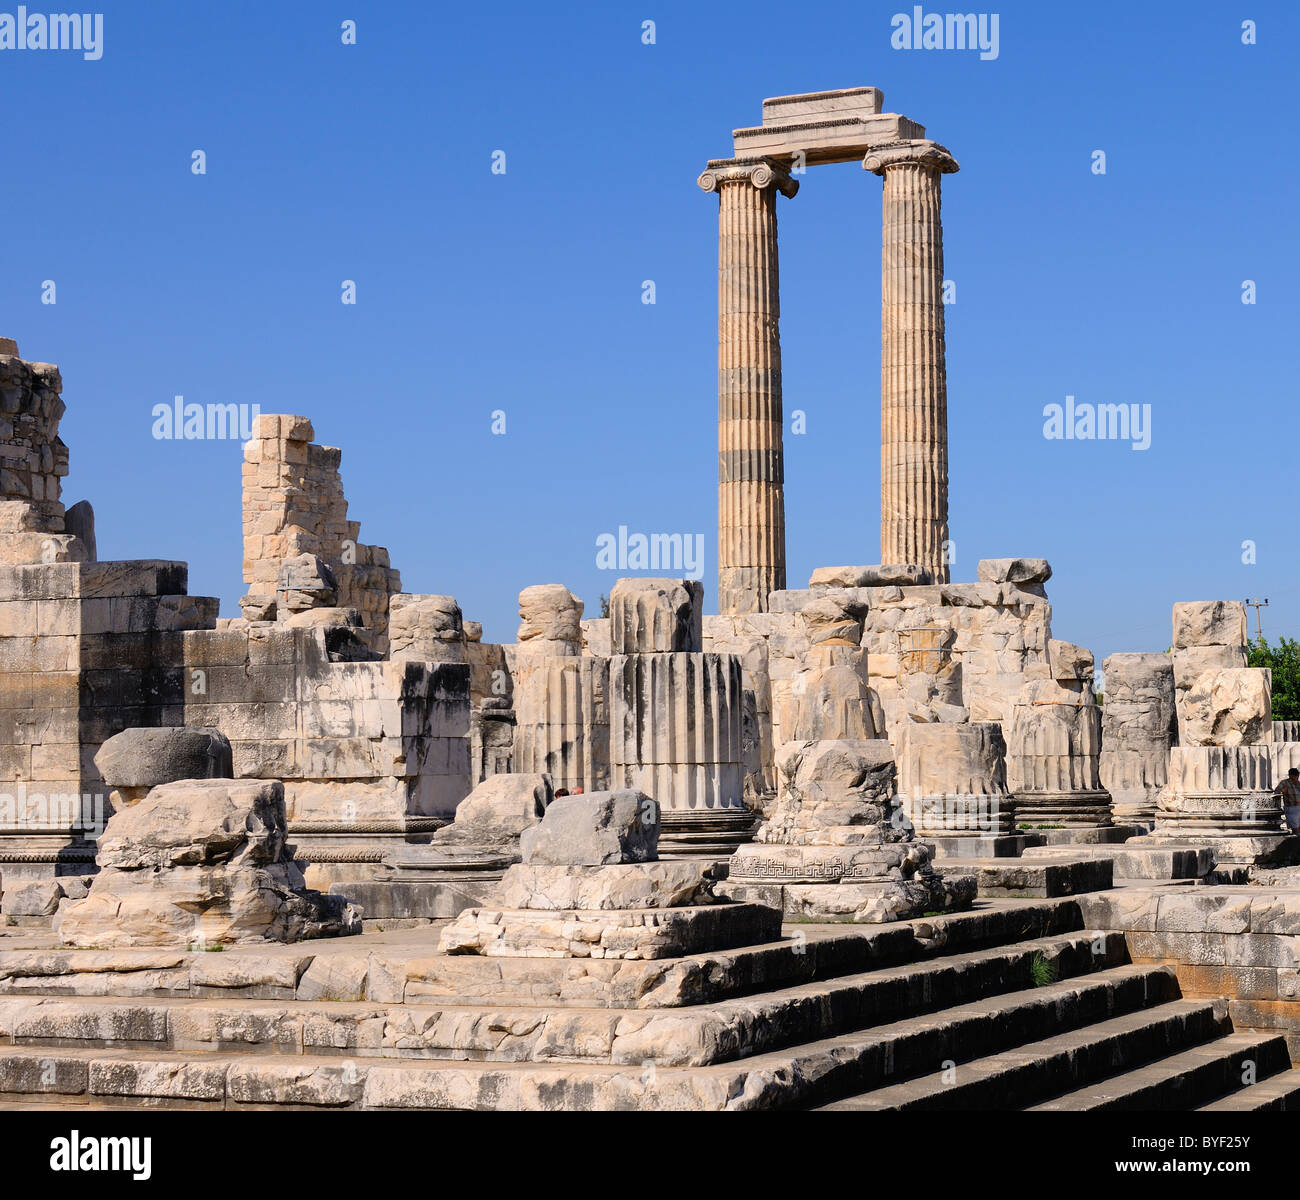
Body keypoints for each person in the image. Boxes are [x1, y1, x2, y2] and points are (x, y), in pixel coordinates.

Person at [1274, 767, 1300, 832]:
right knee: (1295, 827)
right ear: (1290, 776)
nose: (1297, 777)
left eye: (1297, 776)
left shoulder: (1298, 783)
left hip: (1299, 807)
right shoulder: (1284, 783)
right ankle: (1296, 839)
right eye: (1295, 776)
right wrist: (1282, 790)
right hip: (1291, 808)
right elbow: (1276, 792)